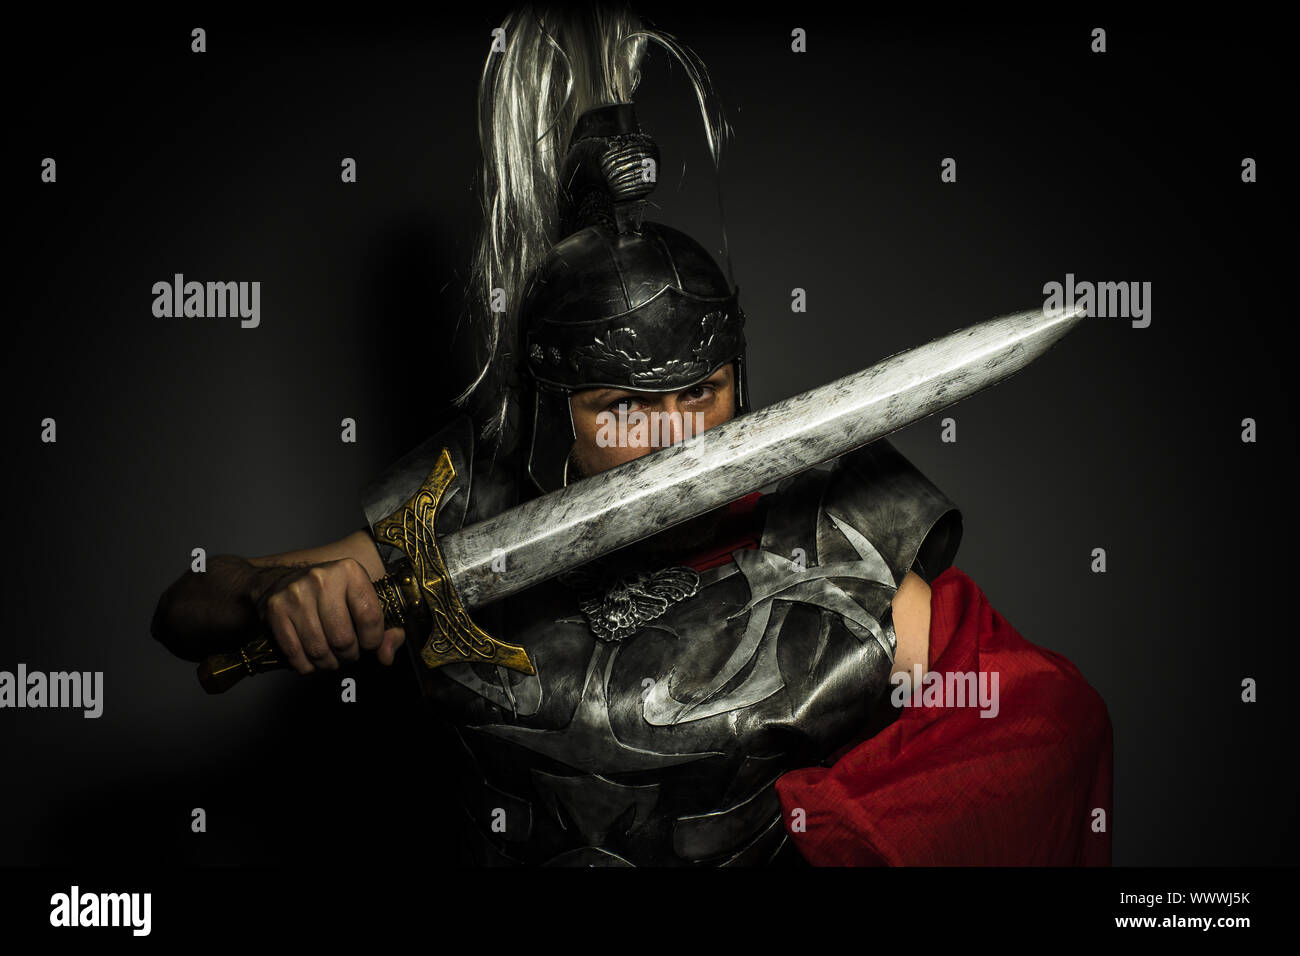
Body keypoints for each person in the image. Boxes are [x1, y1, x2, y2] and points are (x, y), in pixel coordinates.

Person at [152, 2, 1111, 866]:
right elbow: (188, 611)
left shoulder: (841, 542)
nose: (678, 435)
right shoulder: (464, 510)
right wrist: (280, 595)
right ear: (548, 405)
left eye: (707, 390)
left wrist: (830, 848)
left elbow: (1040, 723)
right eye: (621, 408)